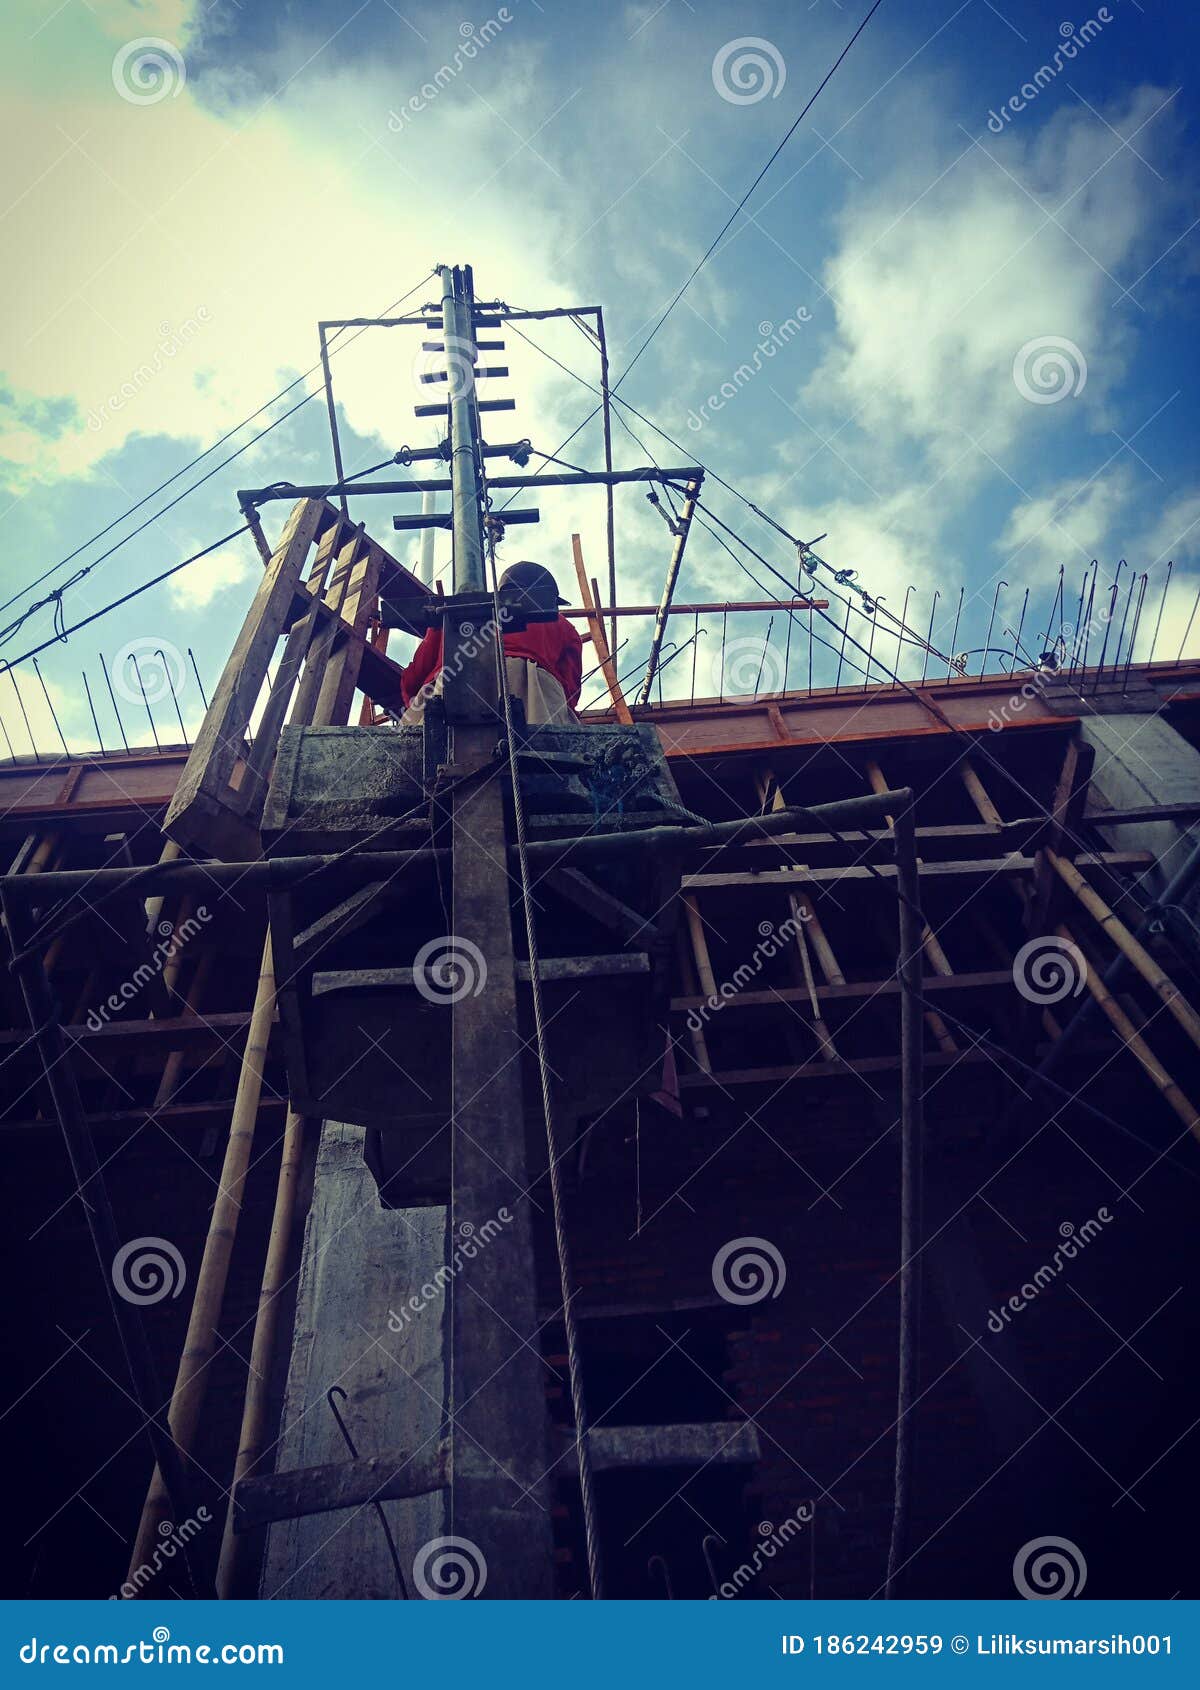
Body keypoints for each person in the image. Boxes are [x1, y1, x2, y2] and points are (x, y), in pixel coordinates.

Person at [399, 560, 584, 725]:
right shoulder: (563, 626)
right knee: (545, 747)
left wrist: (410, 701)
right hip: (535, 694)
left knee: (423, 747)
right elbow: (570, 689)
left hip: (450, 686)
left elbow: (415, 676)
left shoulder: (449, 613)